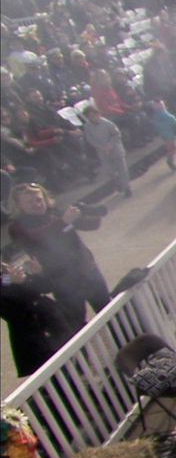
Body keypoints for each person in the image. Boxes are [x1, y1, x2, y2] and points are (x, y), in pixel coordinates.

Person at [7, 183, 109, 329]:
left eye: (39, 199)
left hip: (88, 271)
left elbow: (90, 226)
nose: (37, 204)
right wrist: (64, 222)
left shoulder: (55, 213)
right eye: (30, 202)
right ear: (18, 205)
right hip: (62, 282)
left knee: (111, 313)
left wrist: (92, 213)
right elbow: (37, 237)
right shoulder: (17, 228)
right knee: (75, 326)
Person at [1, 259, 75, 377]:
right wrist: (13, 281)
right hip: (32, 334)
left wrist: (37, 273)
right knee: (53, 374)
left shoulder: (8, 272)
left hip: (53, 321)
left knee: (74, 358)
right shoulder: (6, 279)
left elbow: (46, 287)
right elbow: (12, 311)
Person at [82, 105, 131, 198]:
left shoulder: (107, 123)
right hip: (102, 152)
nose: (94, 118)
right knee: (109, 171)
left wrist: (110, 145)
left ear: (99, 114)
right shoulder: (87, 127)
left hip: (115, 149)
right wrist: (101, 147)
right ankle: (118, 182)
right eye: (91, 117)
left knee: (122, 170)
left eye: (95, 115)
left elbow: (116, 134)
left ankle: (126, 187)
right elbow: (90, 139)